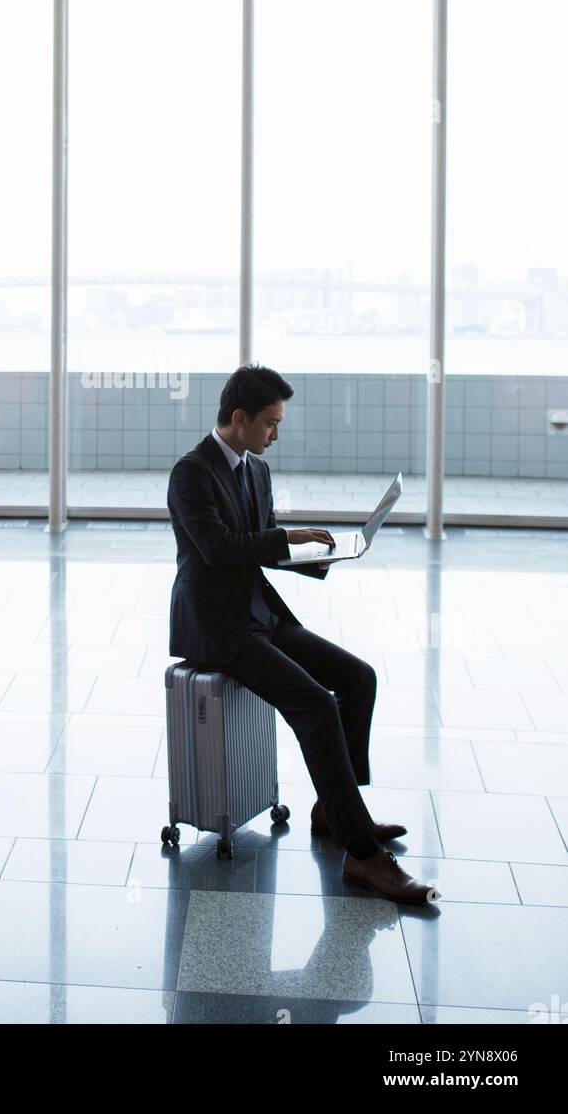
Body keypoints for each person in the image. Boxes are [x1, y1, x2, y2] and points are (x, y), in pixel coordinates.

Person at [166, 362, 440, 905]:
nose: (276, 433)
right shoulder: (191, 472)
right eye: (270, 423)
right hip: (217, 627)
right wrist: (286, 537)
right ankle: (362, 856)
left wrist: (320, 554)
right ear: (239, 418)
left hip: (259, 615)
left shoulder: (255, 470)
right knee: (314, 704)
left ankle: (332, 812)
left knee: (358, 679)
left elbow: (258, 545)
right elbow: (220, 549)